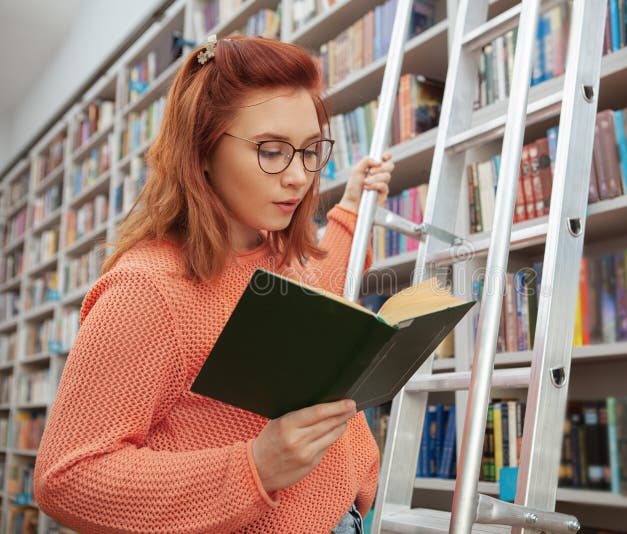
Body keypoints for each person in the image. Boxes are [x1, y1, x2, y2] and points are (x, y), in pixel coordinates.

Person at [33, 34, 395, 533]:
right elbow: (68, 478)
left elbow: (323, 288)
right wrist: (256, 466)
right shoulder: (147, 290)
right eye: (271, 151)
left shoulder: (272, 250)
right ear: (200, 149)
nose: (298, 177)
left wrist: (353, 206)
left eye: (312, 151)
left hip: (350, 517)